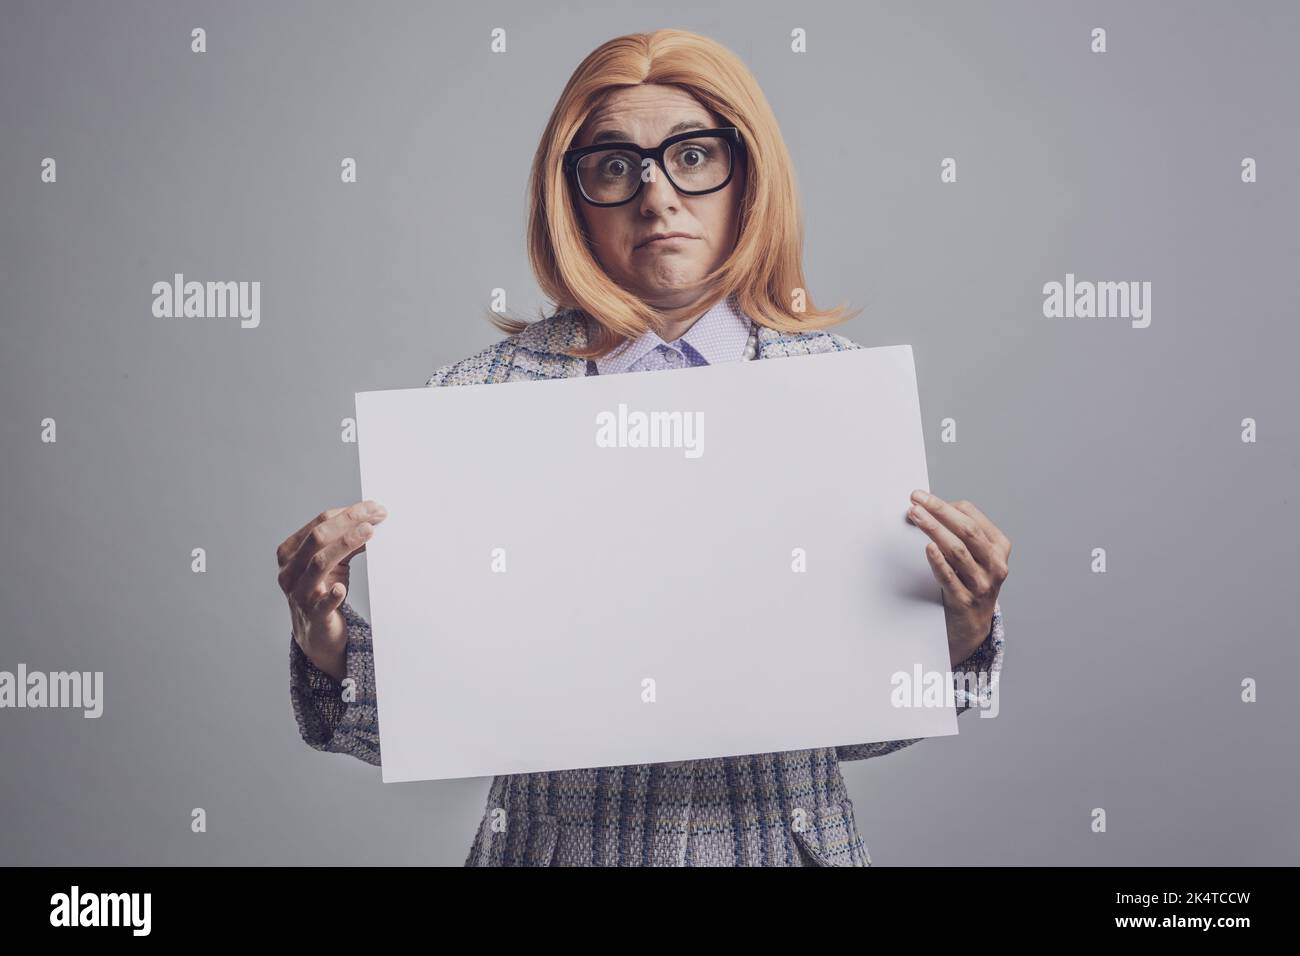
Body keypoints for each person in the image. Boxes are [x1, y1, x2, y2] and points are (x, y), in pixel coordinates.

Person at [276, 29, 1011, 867]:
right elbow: (442, 723)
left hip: (777, 850)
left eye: (693, 155)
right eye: (616, 166)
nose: (657, 197)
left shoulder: (838, 398)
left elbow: (858, 730)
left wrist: (960, 628)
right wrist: (324, 635)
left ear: (749, 176)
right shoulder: (478, 399)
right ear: (571, 198)